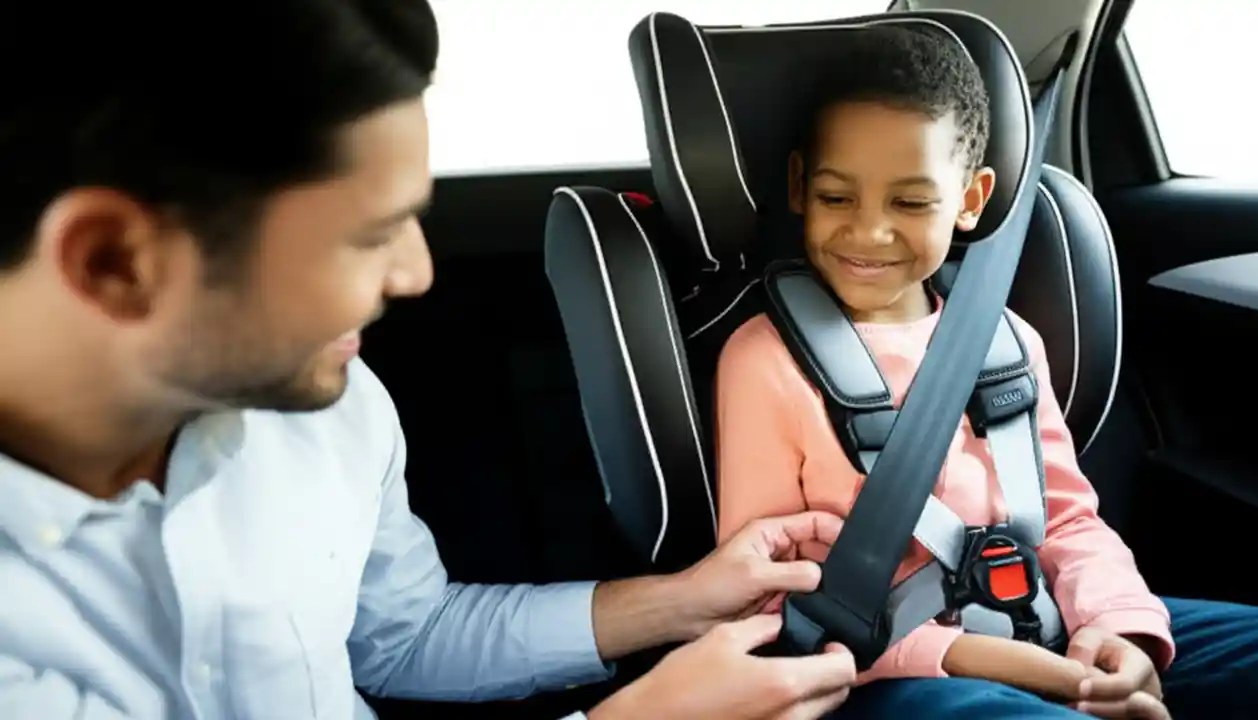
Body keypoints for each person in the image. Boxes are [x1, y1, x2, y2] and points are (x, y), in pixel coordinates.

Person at [0, 2, 861, 719]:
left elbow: (404, 637)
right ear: (115, 261)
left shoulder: (332, 411)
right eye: (369, 236)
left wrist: (681, 600)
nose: (415, 274)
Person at [713, 23, 1258, 720]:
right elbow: (767, 594)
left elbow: (1069, 522)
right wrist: (1002, 664)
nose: (868, 232)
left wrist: (1119, 631)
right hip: (876, 670)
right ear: (801, 185)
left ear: (972, 199)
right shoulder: (764, 361)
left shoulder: (1006, 342)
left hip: (1045, 619)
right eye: (838, 198)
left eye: (912, 202)